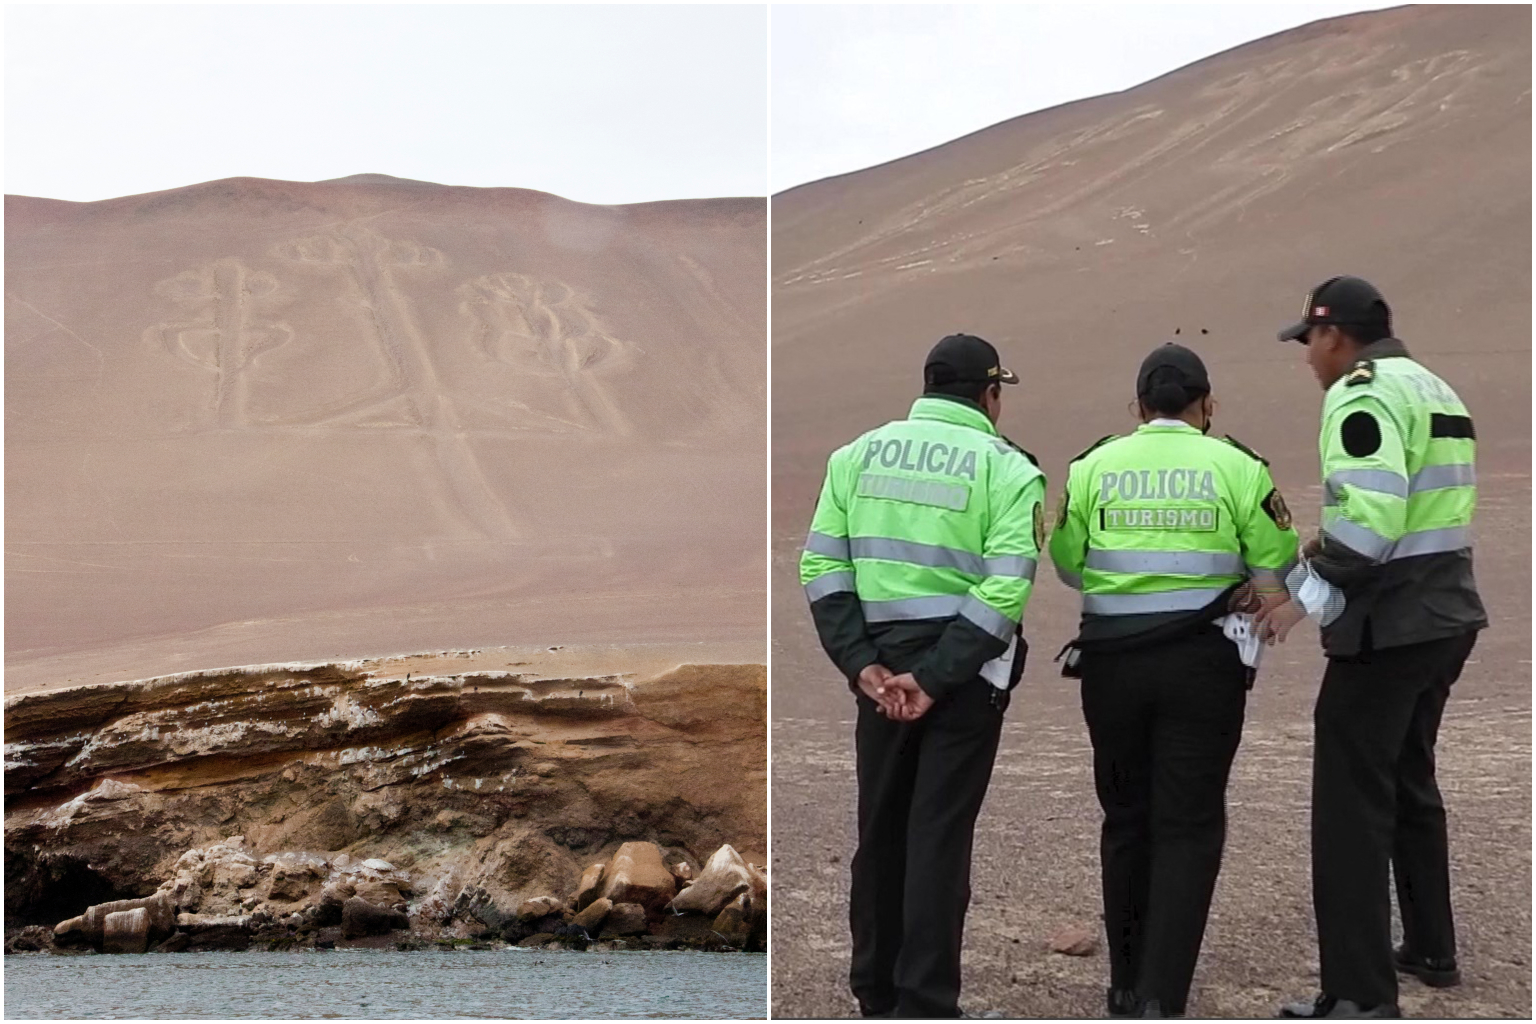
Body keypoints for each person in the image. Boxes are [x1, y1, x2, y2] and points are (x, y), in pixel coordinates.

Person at [799, 333, 1046, 1019]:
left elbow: (821, 567)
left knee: (880, 833)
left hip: (878, 675)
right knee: (938, 837)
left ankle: (875, 992)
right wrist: (934, 678)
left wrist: (862, 666)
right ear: (989, 395)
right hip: (963, 676)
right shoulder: (1008, 468)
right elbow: (1006, 589)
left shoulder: (853, 457)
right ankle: (926, 1002)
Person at [1048, 342, 1299, 1019]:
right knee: (1188, 824)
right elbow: (1277, 556)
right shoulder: (1238, 466)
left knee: (1125, 818)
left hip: (1112, 666)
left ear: (1137, 408)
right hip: (1203, 666)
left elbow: (1068, 561)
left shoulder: (1095, 464)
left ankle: (1125, 985)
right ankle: (1163, 995)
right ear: (1207, 406)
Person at [1262, 277, 1487, 1020]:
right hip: (1445, 612)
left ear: (1335, 337)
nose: (1307, 360)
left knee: (1351, 804)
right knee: (1409, 779)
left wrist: (1308, 573)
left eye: (1309, 343)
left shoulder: (1361, 395)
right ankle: (1431, 946)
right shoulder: (1433, 385)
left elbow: (1367, 526)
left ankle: (1358, 993)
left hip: (1389, 625)